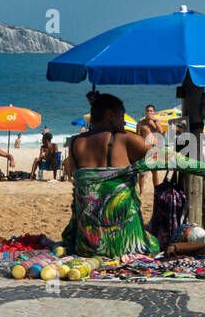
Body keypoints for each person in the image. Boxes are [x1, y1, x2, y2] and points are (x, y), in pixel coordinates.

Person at [61, 92, 160, 256]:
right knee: (155, 241)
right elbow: (163, 157)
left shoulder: (76, 143)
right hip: (127, 244)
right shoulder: (124, 139)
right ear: (110, 115)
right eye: (122, 116)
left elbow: (70, 171)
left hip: (88, 245)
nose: (124, 122)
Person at [134, 105, 164, 193]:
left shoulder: (156, 122)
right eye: (148, 111)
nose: (149, 112)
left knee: (154, 172)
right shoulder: (140, 123)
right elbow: (138, 136)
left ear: (154, 112)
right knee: (142, 171)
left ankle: (156, 190)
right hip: (144, 149)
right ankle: (141, 192)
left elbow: (162, 133)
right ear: (145, 112)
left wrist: (155, 122)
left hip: (154, 148)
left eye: (151, 111)